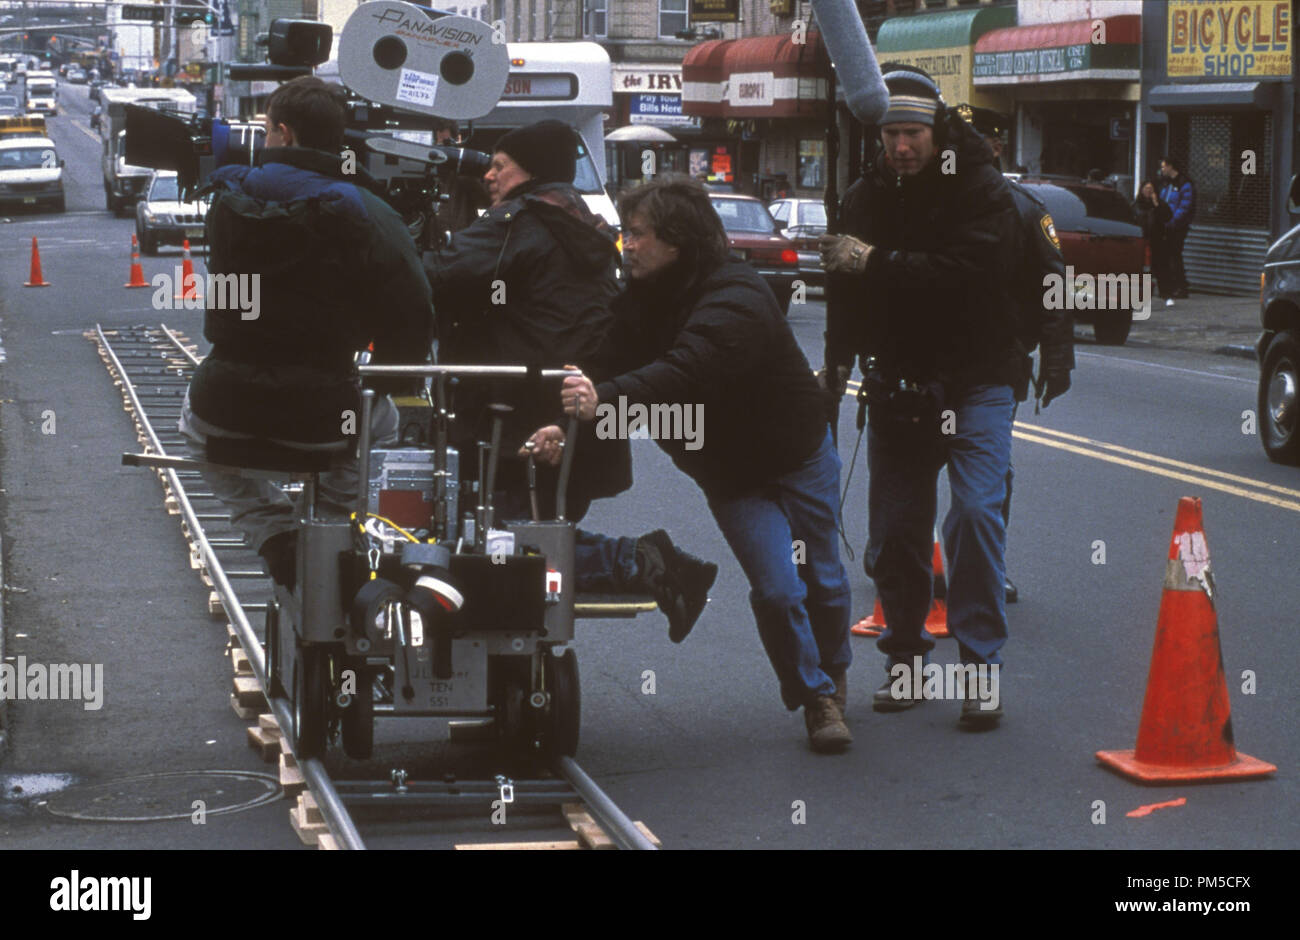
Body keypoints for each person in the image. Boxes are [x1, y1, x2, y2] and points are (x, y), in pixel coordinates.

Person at [556, 177, 854, 754]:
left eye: (637, 234)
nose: (627, 245)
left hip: (798, 455)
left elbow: (690, 369)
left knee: (825, 579)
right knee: (777, 590)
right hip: (731, 476)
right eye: (624, 233)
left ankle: (834, 667)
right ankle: (816, 697)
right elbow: (600, 362)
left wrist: (606, 399)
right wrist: (559, 421)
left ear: (679, 240)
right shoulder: (640, 299)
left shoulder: (737, 292)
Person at [423, 120, 717, 640]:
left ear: (529, 172)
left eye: (500, 166)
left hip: (521, 421)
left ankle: (642, 560)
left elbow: (436, 275)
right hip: (570, 412)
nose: (488, 175)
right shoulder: (581, 222)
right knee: (525, 538)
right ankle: (522, 682)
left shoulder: (517, 223)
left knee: (503, 545)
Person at [819, 70, 1020, 727]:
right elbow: (846, 296)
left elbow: (966, 275)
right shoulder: (866, 195)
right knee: (897, 539)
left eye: (911, 133)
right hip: (898, 386)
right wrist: (834, 369)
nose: (900, 146)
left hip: (979, 380)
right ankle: (904, 665)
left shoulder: (980, 188)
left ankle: (981, 672)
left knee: (976, 516)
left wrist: (872, 261)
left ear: (937, 132)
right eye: (889, 134)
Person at [178, 76, 433, 588]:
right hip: (325, 414)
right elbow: (415, 310)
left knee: (192, 432)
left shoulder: (228, 194)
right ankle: (335, 533)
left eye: (267, 129)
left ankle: (275, 536)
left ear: (285, 134)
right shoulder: (367, 208)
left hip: (225, 404)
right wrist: (389, 380)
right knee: (381, 427)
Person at [963, 105, 1074, 604]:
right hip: (928, 364)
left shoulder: (1026, 210)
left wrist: (1056, 362)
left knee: (990, 477)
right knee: (914, 466)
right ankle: (898, 556)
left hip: (999, 365)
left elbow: (1054, 288)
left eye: (976, 141)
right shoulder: (928, 204)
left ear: (997, 147)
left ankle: (989, 567)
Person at [1159, 156, 1195, 300]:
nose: (1162, 170)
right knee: (1168, 255)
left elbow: (1184, 206)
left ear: (1171, 167)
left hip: (1178, 226)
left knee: (1175, 254)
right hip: (1166, 225)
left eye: (1163, 166)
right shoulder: (1167, 183)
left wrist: (1171, 221)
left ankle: (1181, 287)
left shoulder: (1184, 184)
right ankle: (1174, 285)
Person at [1133, 180, 1173, 304]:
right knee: (1141, 268)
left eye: (1151, 189)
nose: (1148, 191)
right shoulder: (1136, 205)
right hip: (1141, 240)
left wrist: (1156, 204)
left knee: (1161, 267)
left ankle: (1166, 294)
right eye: (1146, 188)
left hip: (1157, 240)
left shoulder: (1159, 204)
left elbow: (1167, 217)